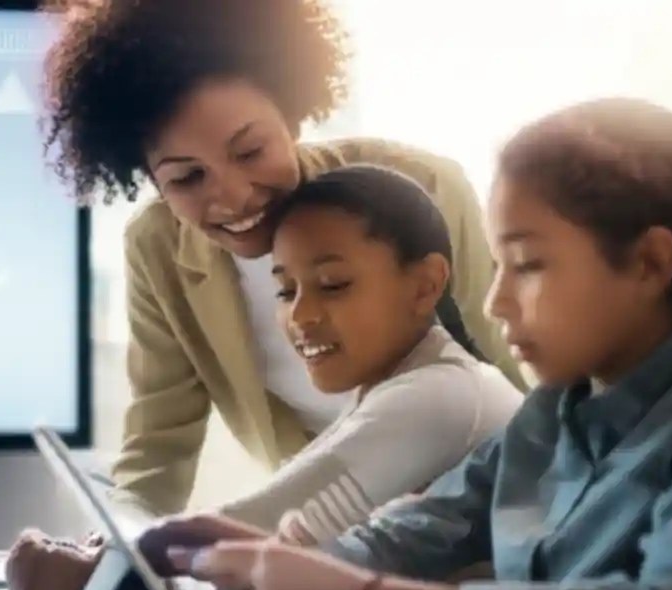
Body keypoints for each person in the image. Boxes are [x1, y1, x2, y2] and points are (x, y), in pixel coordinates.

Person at [139, 98, 672, 590]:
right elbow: (419, 532)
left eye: (530, 264)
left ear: (648, 263)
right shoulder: (549, 418)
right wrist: (264, 560)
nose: (496, 301)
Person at [5, 0, 523, 590]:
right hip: (350, 538)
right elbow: (159, 453)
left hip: (469, 532)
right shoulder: (157, 249)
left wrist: (121, 563)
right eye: (186, 178)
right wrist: (110, 540)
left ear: (293, 113)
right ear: (148, 178)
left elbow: (509, 370)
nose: (232, 195)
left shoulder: (420, 194)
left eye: (250, 151)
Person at [218, 164, 523, 545]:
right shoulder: (405, 385)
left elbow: (246, 532)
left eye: (333, 284)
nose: (300, 314)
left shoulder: (440, 395)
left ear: (425, 285)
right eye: (285, 290)